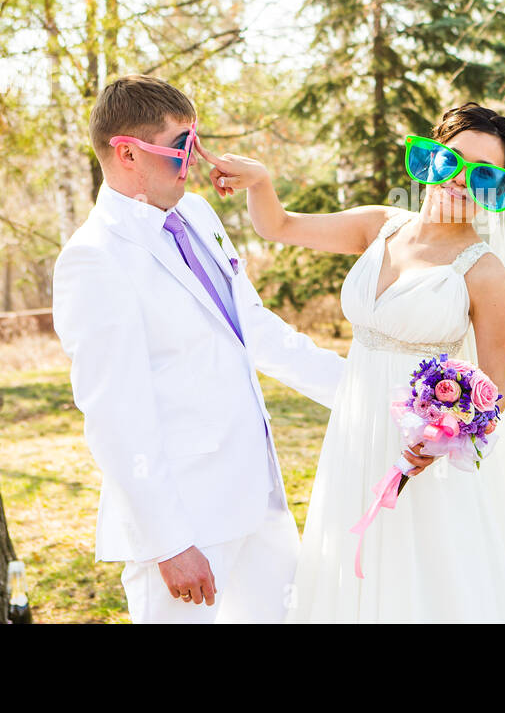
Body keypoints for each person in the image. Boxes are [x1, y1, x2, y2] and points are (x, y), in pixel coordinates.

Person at [197, 102, 505, 622]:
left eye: (484, 174)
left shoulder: (486, 274)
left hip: (420, 457)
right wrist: (260, 182)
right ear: (432, 158)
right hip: (355, 435)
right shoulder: (380, 226)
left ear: (498, 190)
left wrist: (441, 440)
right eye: (452, 161)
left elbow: (495, 393)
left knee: (423, 583)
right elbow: (278, 226)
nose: (461, 181)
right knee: (351, 575)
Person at [51, 74, 348, 623]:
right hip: (185, 522)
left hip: (259, 499)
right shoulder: (93, 259)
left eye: (195, 141)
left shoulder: (199, 217)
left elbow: (253, 329)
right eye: (180, 147)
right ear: (127, 153)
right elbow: (114, 414)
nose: (194, 160)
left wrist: (363, 392)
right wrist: (168, 542)